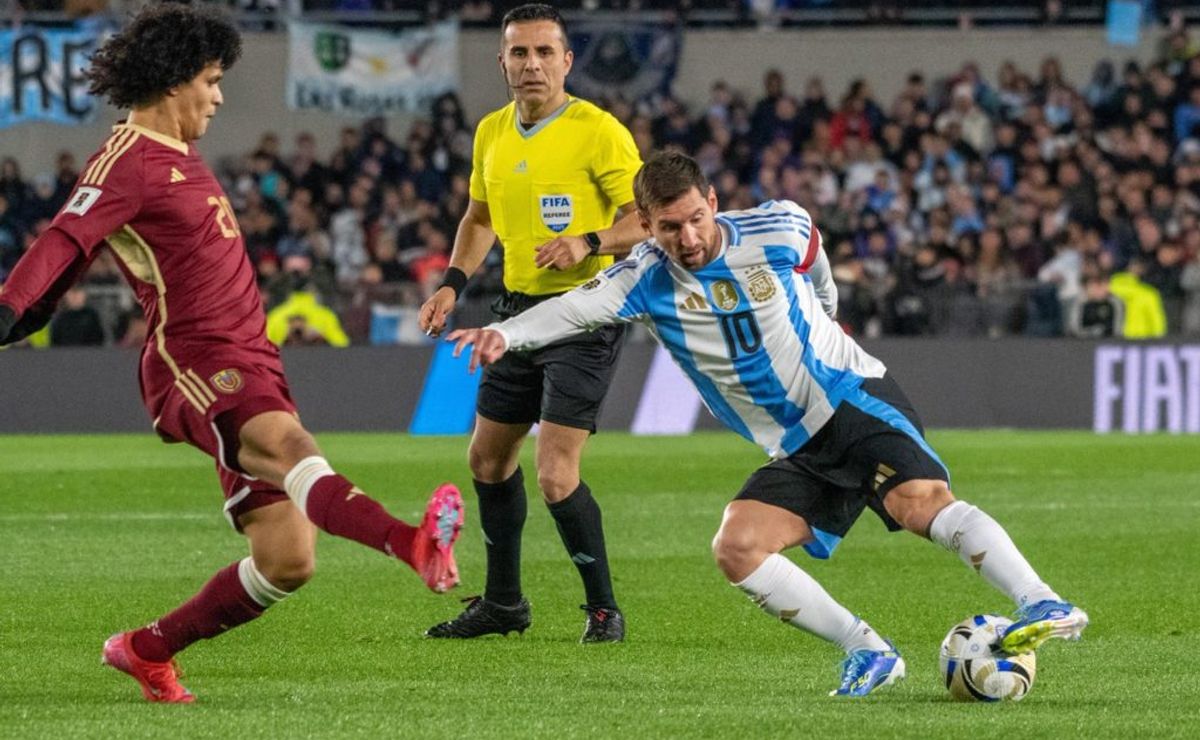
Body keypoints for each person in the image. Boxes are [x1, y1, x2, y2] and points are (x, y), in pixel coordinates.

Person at [446, 150, 1090, 696]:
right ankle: (868, 650)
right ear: (644, 224)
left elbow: (816, 259)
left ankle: (1039, 600)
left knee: (920, 502)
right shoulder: (642, 279)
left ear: (713, 200)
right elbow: (573, 309)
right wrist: (504, 333)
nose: (689, 239)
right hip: (795, 444)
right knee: (737, 546)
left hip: (846, 394)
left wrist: (829, 314)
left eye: (697, 219)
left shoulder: (776, 226)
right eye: (669, 228)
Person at [0, 4, 463, 704]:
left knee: (288, 559)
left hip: (251, 356)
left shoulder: (177, 157)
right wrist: (12, 308)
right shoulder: (125, 159)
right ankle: (413, 544)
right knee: (290, 445)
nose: (218, 96)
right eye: (212, 80)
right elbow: (65, 239)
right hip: (194, 362)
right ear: (173, 79)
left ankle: (146, 649)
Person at [418, 3, 646, 643]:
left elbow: (647, 220)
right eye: (520, 53)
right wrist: (450, 286)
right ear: (502, 63)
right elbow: (478, 219)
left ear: (567, 61)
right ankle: (504, 604)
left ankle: (604, 609)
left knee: (554, 472)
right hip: (516, 316)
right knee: (487, 461)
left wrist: (590, 240)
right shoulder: (491, 130)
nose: (532, 64)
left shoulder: (599, 131)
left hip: (584, 314)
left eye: (546, 52)